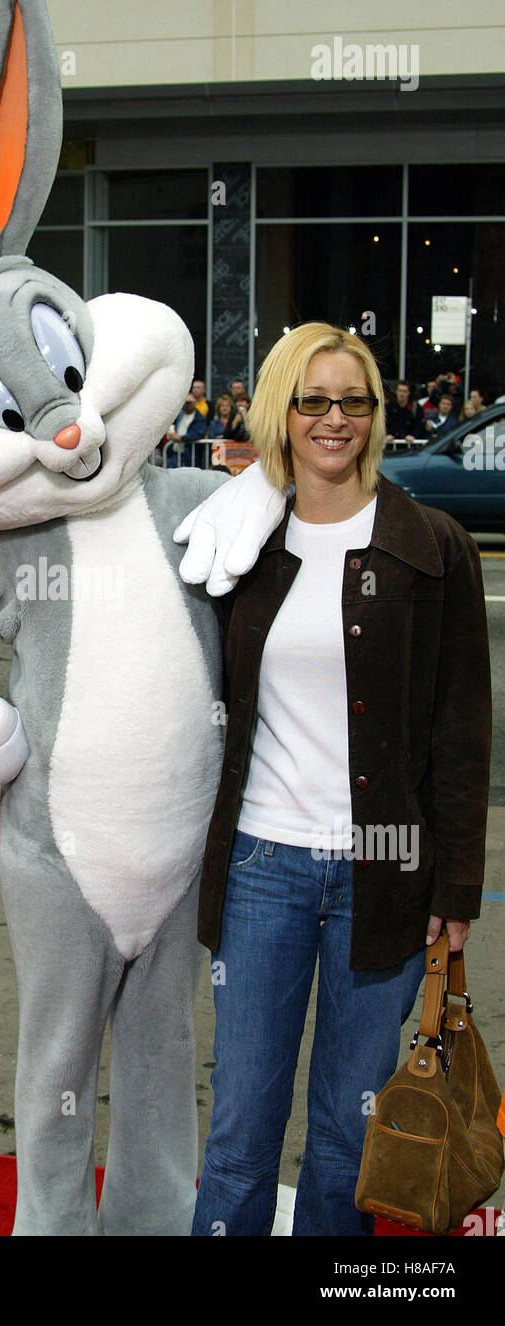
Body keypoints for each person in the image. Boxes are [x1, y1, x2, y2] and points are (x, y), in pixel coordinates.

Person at [191, 321, 491, 1237]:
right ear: (282, 412)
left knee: (341, 1134)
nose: (333, 419)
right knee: (240, 1131)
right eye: (312, 400)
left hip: (386, 876)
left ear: (375, 414)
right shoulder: (239, 542)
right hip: (260, 872)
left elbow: (460, 730)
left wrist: (455, 888)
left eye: (352, 401)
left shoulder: (431, 545)